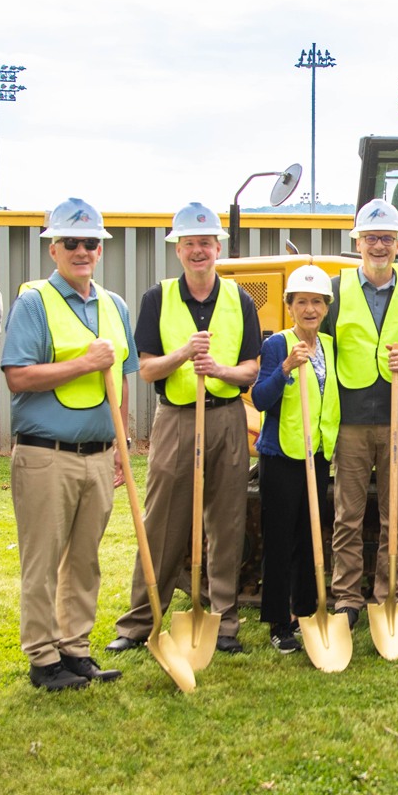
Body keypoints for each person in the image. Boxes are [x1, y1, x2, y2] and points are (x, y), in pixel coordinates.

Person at [107, 203, 261, 657]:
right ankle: (140, 620)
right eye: (189, 243)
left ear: (218, 248)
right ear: (178, 250)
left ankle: (223, 621)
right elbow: (147, 368)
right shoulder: (159, 297)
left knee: (228, 519)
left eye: (205, 243)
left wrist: (218, 368)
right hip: (176, 416)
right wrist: (182, 355)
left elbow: (251, 370)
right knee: (161, 518)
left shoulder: (240, 299)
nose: (198, 251)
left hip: (227, 416)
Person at [1, 198, 138, 690]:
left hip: (99, 456)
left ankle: (75, 648)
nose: (83, 251)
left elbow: (122, 381)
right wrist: (83, 362)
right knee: (42, 560)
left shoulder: (115, 305)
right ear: (53, 248)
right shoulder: (34, 303)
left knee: (85, 558)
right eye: (72, 243)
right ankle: (42, 658)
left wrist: (122, 447)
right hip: (46, 455)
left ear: (100, 250)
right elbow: (17, 376)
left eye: (92, 244)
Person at [322, 199, 398, 628]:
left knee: (394, 516)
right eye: (371, 238)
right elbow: (323, 353)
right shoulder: (334, 290)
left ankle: (390, 595)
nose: (379, 245)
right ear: (358, 242)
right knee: (347, 515)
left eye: (387, 238)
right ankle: (347, 599)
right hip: (350, 420)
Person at [251, 264, 339, 655]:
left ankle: (305, 610)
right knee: (280, 537)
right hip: (282, 454)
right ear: (289, 306)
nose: (309, 309)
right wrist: (286, 368)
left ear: (326, 307)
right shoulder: (276, 346)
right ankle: (277, 621)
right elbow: (259, 399)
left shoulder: (330, 346)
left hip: (316, 454)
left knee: (310, 535)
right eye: (301, 301)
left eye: (317, 302)